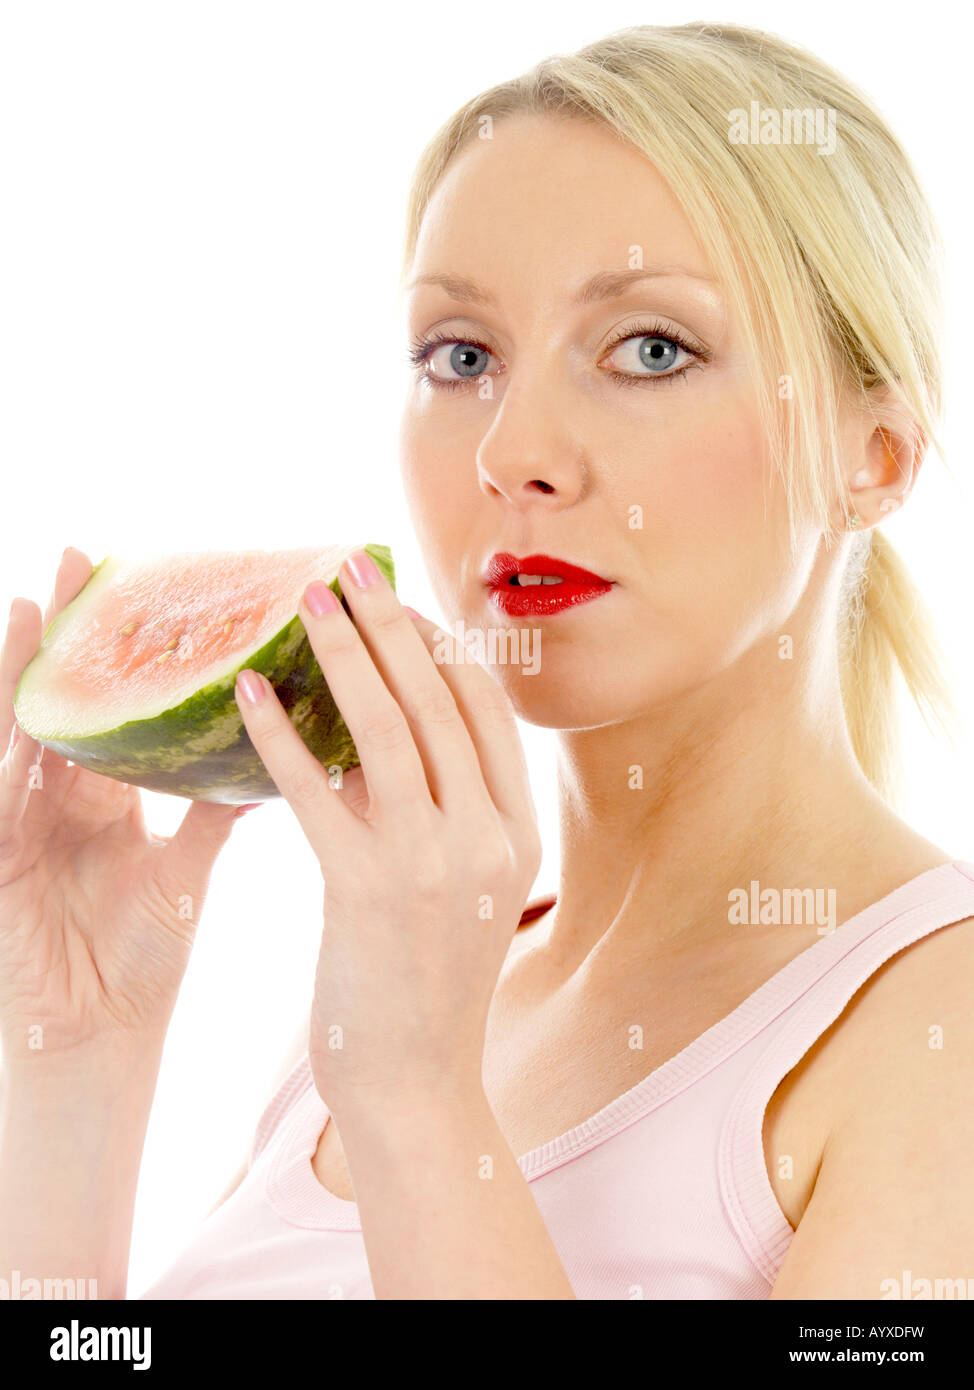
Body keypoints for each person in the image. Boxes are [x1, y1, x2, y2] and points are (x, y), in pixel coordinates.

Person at [3, 21, 973, 1301]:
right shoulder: (420, 978)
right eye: (460, 356)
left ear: (875, 455)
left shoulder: (929, 1033)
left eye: (649, 349)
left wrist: (417, 1100)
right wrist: (78, 1051)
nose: (512, 450)